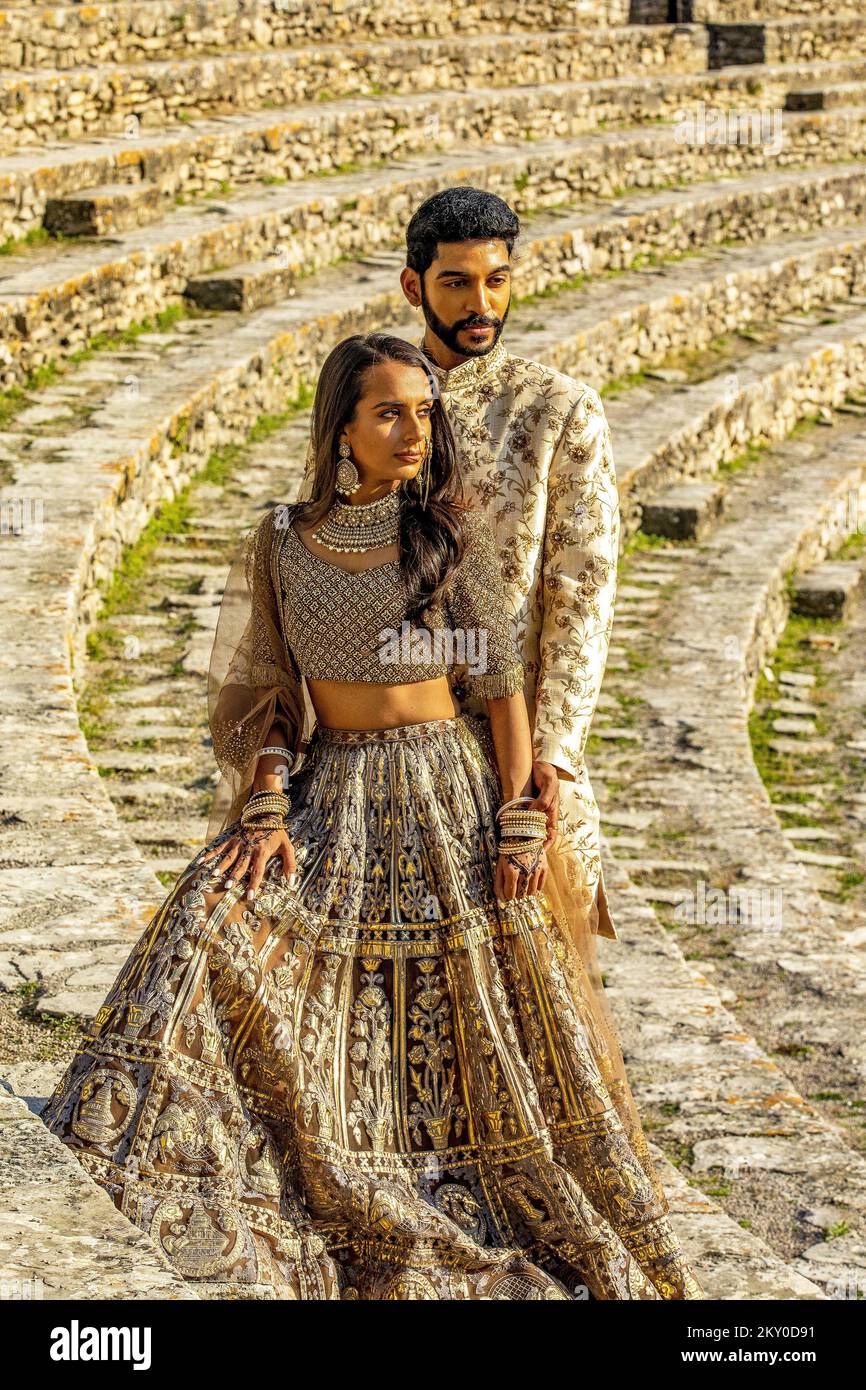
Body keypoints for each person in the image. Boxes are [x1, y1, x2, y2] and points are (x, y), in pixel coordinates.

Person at [41, 333, 705, 1301]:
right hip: (334, 792)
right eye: (388, 412)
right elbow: (269, 698)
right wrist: (264, 802)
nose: (412, 431)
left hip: (446, 793)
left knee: (472, 1015)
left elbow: (501, 689)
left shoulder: (446, 537)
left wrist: (520, 820)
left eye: (422, 412)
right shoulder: (280, 541)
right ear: (340, 428)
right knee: (204, 917)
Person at [297, 187, 621, 942]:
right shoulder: (376, 394)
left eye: (497, 281)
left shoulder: (558, 409)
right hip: (387, 747)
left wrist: (554, 753)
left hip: (514, 744)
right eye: (457, 283)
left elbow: (583, 592)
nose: (482, 304)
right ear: (413, 287)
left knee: (531, 979)